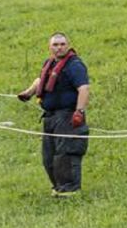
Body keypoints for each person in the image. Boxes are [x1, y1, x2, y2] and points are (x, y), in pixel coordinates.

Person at [17, 32, 90, 196]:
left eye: (62, 44)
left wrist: (79, 112)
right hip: (50, 116)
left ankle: (70, 191)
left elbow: (84, 89)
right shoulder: (49, 63)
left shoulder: (74, 65)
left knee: (66, 154)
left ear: (68, 45)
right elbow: (40, 80)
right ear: (50, 47)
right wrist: (28, 93)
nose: (59, 48)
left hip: (68, 116)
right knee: (49, 156)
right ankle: (58, 188)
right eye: (55, 45)